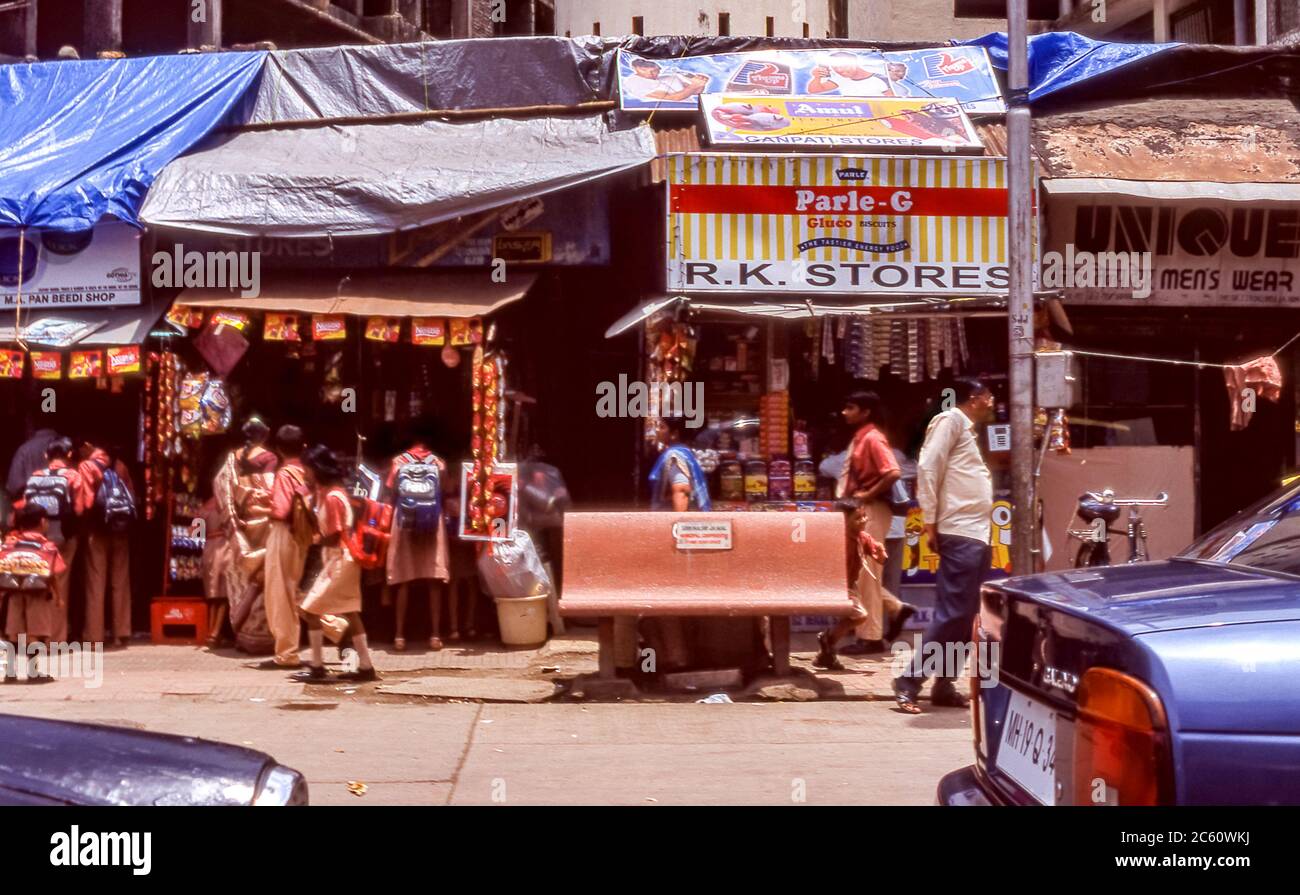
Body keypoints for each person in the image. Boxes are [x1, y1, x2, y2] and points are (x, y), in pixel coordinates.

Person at [893, 377, 996, 714]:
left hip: (976, 532)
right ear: (974, 397)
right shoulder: (949, 419)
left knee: (967, 616)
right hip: (959, 530)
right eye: (988, 395)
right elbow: (928, 466)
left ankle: (944, 683)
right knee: (953, 612)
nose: (993, 401)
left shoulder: (965, 429)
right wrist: (930, 519)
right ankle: (909, 681)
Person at [815, 392, 910, 668]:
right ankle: (895, 609)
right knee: (863, 574)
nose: (844, 412)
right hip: (861, 508)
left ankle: (870, 637)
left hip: (870, 509)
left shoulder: (872, 437)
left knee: (866, 574)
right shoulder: (863, 435)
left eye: (850, 407)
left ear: (866, 411)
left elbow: (891, 472)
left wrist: (867, 494)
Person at [293, 447, 378, 683]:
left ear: (316, 470)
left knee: (309, 609)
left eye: (307, 469)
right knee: (350, 611)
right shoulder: (334, 493)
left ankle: (318, 666)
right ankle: (365, 666)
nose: (305, 474)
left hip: (338, 558)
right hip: (344, 558)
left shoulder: (331, 498)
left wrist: (314, 540)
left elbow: (332, 534)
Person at [211, 417, 278, 653]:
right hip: (262, 528)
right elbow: (269, 492)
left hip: (239, 529)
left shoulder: (233, 458)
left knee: (241, 582)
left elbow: (223, 488)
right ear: (266, 433)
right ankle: (262, 637)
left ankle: (241, 636)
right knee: (261, 579)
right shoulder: (268, 458)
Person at [384, 422, 450, 651]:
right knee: (433, 580)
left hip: (405, 522)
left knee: (404, 579)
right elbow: (446, 490)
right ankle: (435, 635)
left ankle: (399, 636)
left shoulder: (398, 462)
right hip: (432, 523)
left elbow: (391, 491)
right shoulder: (438, 463)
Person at [255, 425, 313, 669]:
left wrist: (262, 506)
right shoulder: (307, 473)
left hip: (283, 534)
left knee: (280, 593)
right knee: (293, 590)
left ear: (278, 449)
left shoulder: (284, 474)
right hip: (302, 536)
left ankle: (287, 653)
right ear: (303, 447)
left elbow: (281, 510)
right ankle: (338, 626)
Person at [23, 437, 87, 643]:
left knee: (36, 585)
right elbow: (79, 508)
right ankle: (55, 641)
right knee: (60, 585)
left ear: (45, 456)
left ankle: (33, 638)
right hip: (62, 537)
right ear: (69, 455)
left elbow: (27, 508)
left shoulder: (35, 476)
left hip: (36, 538)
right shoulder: (72, 476)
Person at [78, 441, 136, 648]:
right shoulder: (121, 466)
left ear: (89, 446)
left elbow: (84, 501)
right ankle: (121, 633)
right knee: (120, 581)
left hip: (97, 530)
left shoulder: (87, 466)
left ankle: (94, 637)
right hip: (120, 530)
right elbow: (132, 498)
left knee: (96, 582)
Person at [1, 504, 66, 682]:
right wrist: (59, 597)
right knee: (35, 633)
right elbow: (53, 575)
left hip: (14, 595)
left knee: (14, 632)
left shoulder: (10, 544)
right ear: (43, 522)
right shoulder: (47, 547)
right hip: (38, 596)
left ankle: (11, 672)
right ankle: (33, 672)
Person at [808, 51, 894, 97]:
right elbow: (814, 90)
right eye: (835, 67)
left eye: (843, 65)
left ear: (855, 63)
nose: (839, 70)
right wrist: (816, 77)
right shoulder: (840, 79)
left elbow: (893, 103)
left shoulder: (882, 79)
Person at [622, 58, 710, 102]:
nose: (653, 74)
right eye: (649, 71)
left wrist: (701, 83)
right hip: (672, 118)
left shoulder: (669, 77)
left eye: (656, 71)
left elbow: (696, 92)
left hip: (694, 113)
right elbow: (672, 98)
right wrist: (694, 85)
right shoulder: (634, 83)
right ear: (636, 68)